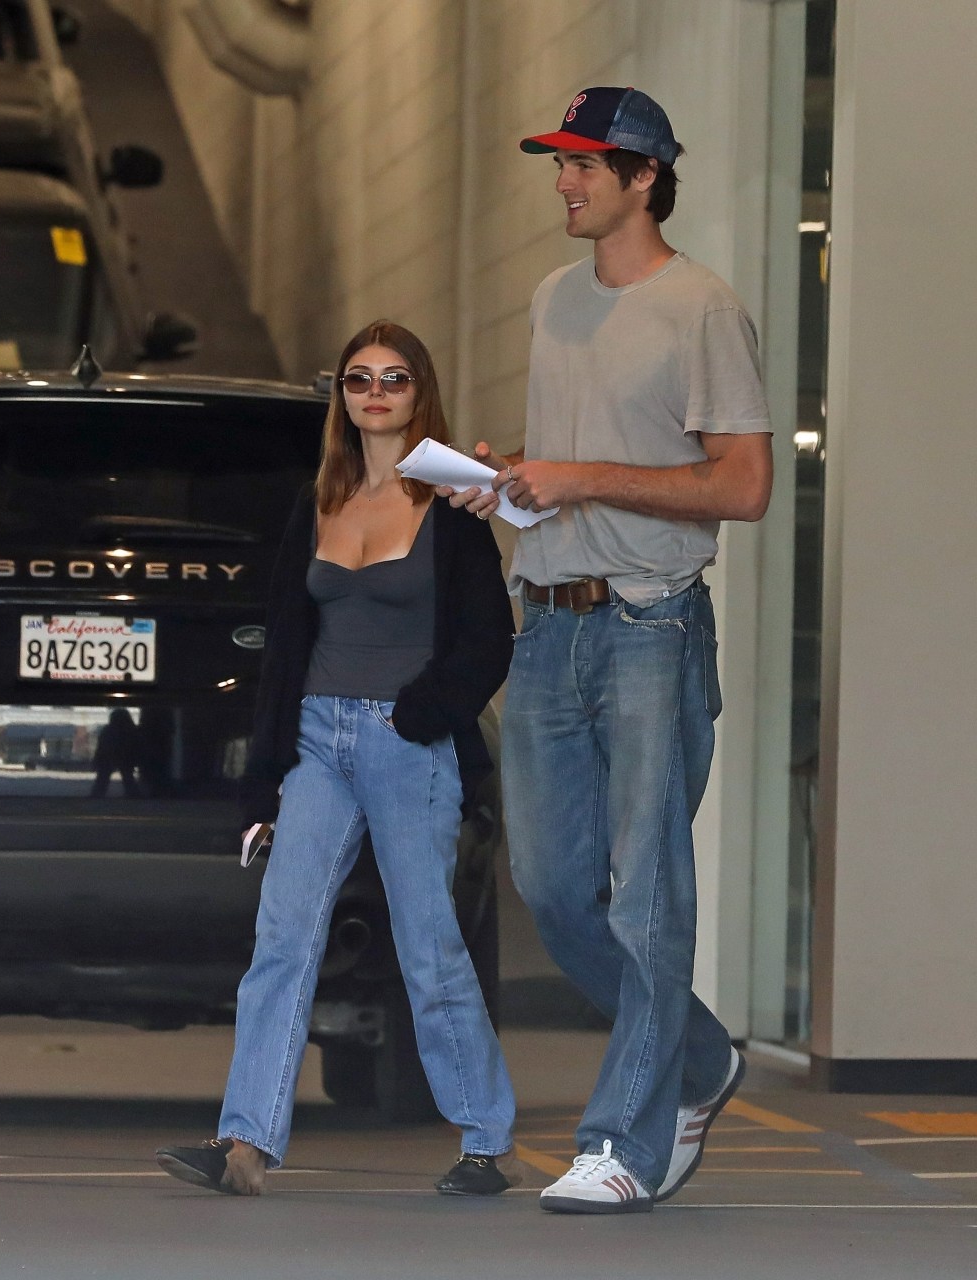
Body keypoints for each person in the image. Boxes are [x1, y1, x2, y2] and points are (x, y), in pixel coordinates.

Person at [443, 88, 773, 1213]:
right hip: (547, 622)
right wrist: (513, 480)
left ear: (645, 178)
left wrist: (578, 478)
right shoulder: (553, 298)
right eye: (561, 162)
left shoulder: (702, 309)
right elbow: (575, 459)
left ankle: (624, 1140)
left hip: (649, 625)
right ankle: (700, 1056)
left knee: (645, 896)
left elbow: (743, 485)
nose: (565, 182)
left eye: (586, 164)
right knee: (549, 885)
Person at [156, 320, 518, 1197]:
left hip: (407, 742)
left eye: (395, 378)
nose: (375, 393)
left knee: (428, 945)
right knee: (282, 938)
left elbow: (488, 639)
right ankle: (244, 1145)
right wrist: (264, 778)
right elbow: (285, 645)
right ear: (342, 396)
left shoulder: (455, 502)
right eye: (359, 379)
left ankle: (484, 1141)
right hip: (316, 740)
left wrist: (421, 713)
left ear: (419, 391)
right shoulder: (317, 498)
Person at [89, 708, 140, 799]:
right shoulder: (131, 730)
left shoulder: (108, 730)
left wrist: (97, 760)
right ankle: (133, 794)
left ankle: (97, 794)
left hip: (109, 756)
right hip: (125, 757)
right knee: (128, 777)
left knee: (103, 777)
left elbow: (101, 747)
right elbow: (136, 746)